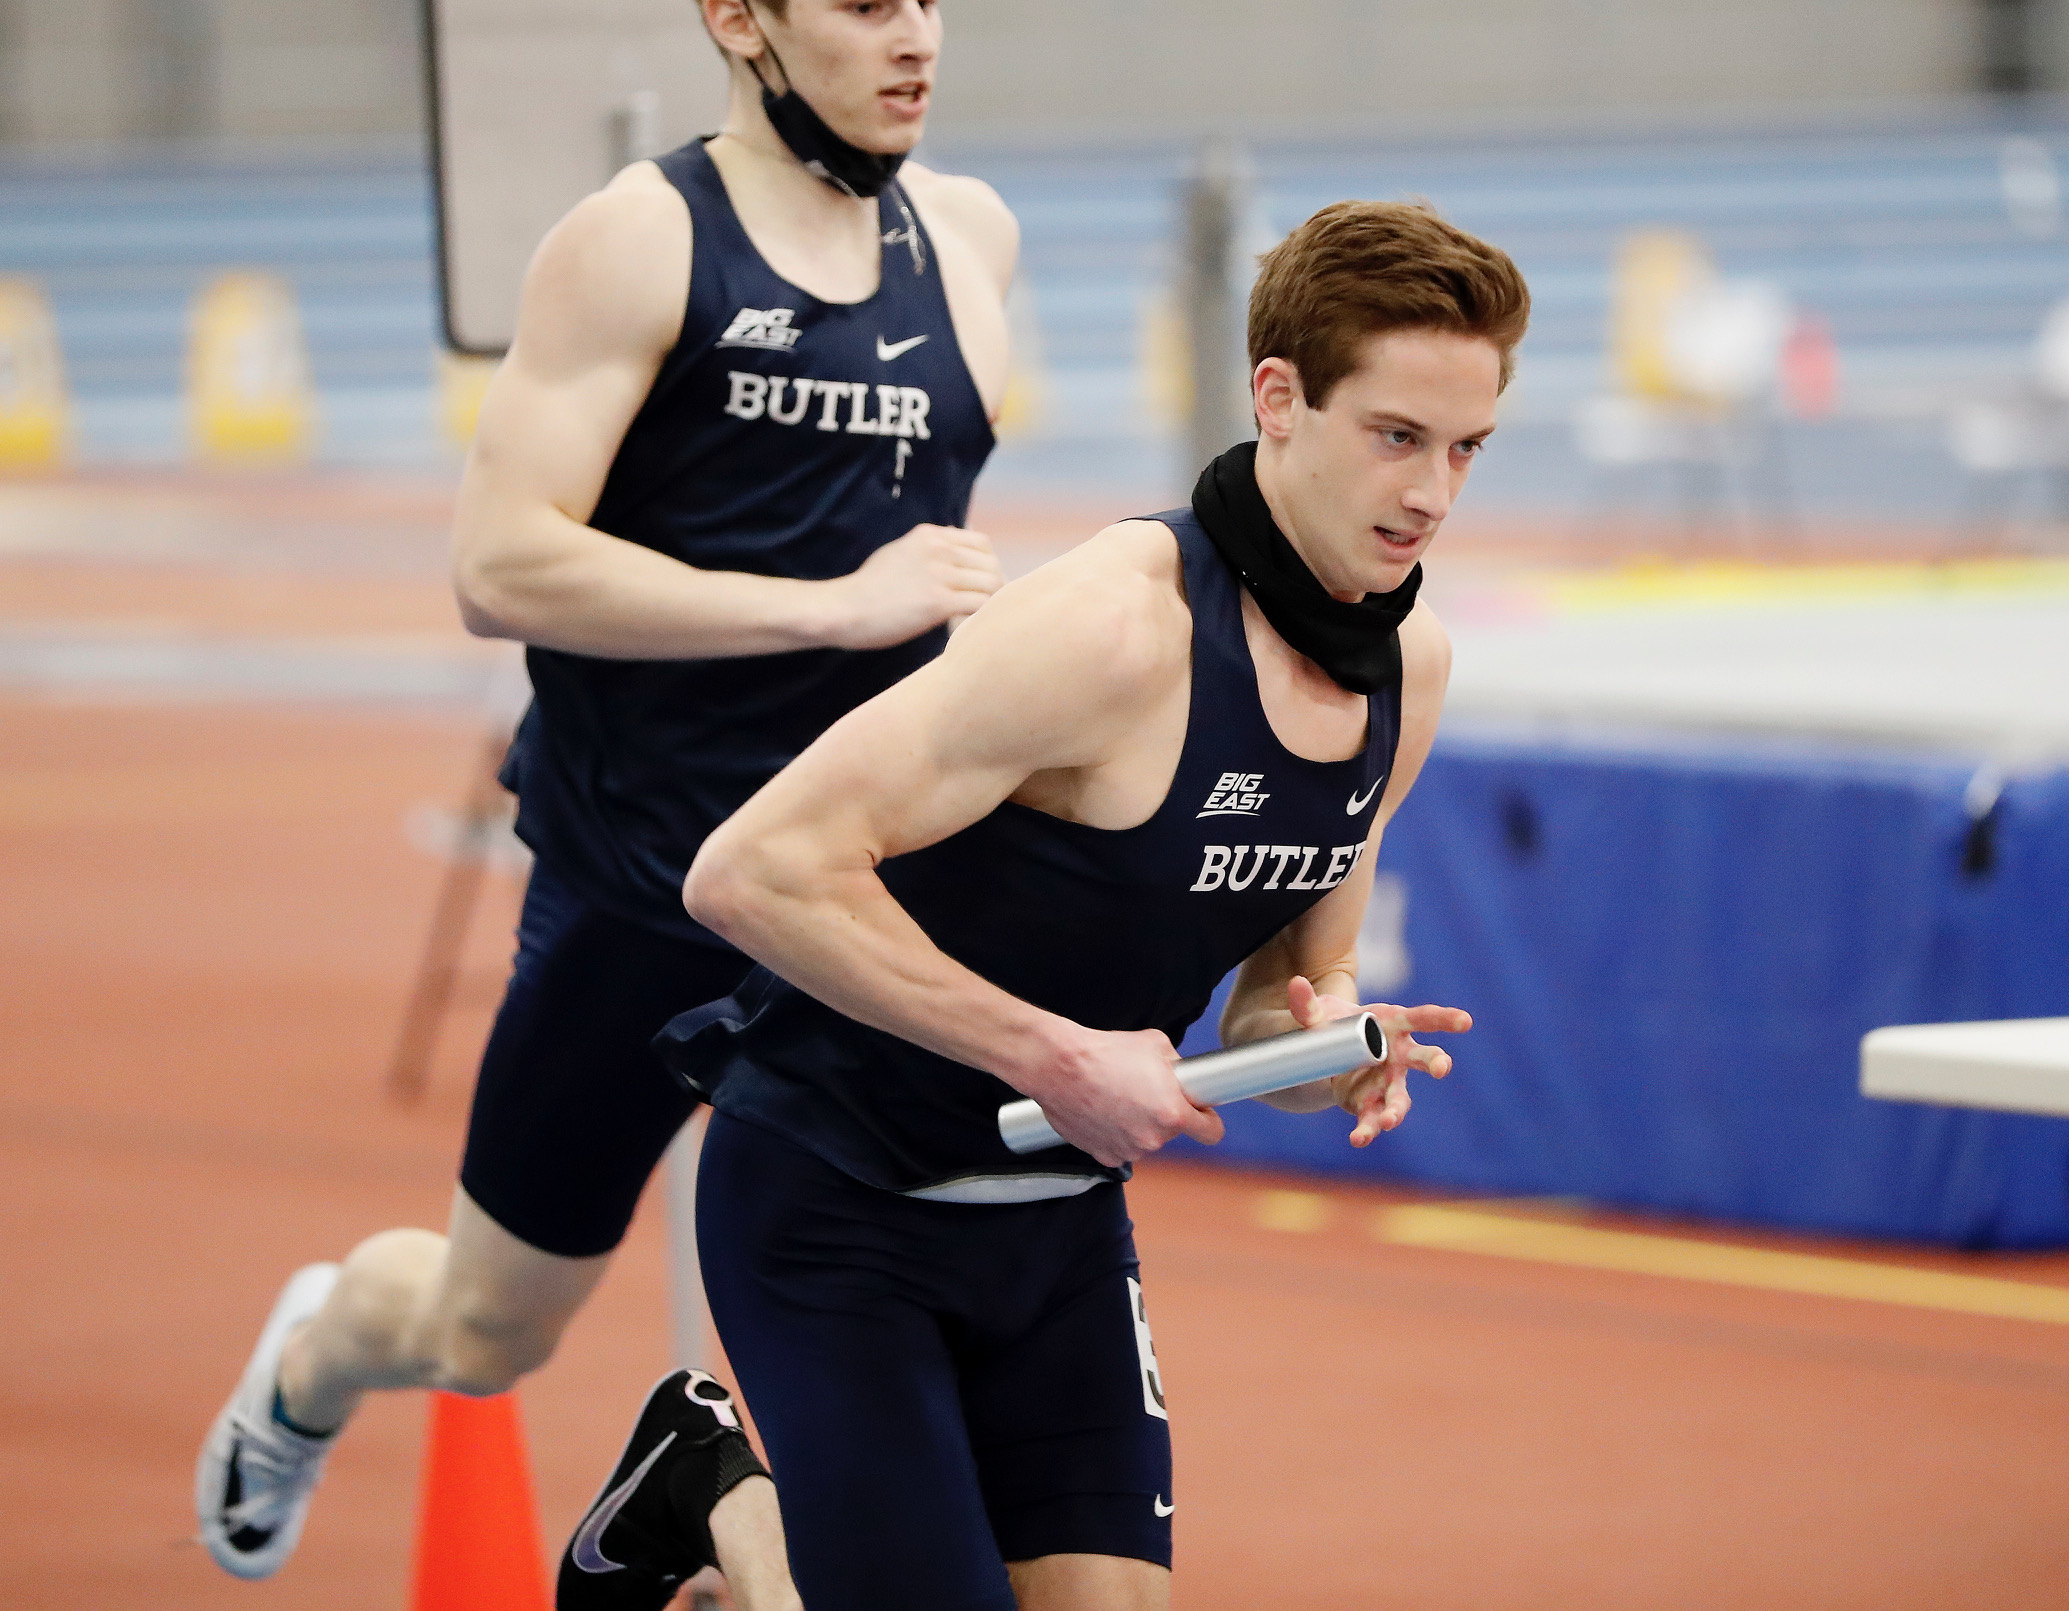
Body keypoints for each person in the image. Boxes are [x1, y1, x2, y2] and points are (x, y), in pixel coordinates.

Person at [592, 199, 1530, 1611]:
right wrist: (1046, 1053)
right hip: (838, 1204)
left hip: (1056, 1221)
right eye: (1395, 436)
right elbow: (750, 871)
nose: (1432, 496)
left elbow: (1281, 983)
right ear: (1277, 401)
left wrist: (1322, 1046)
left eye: (1467, 449)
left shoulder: (1411, 679)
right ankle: (713, 1494)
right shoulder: (1111, 629)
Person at [194, 3, 1013, 1604]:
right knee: (485, 1335)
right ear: (739, 19)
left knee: (916, 1330)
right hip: (646, 887)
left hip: (862, 892)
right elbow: (500, 564)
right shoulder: (639, 240)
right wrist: (826, 607)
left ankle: (721, 1523)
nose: (914, 36)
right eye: (863, 2)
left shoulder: (970, 238)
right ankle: (318, 1354)